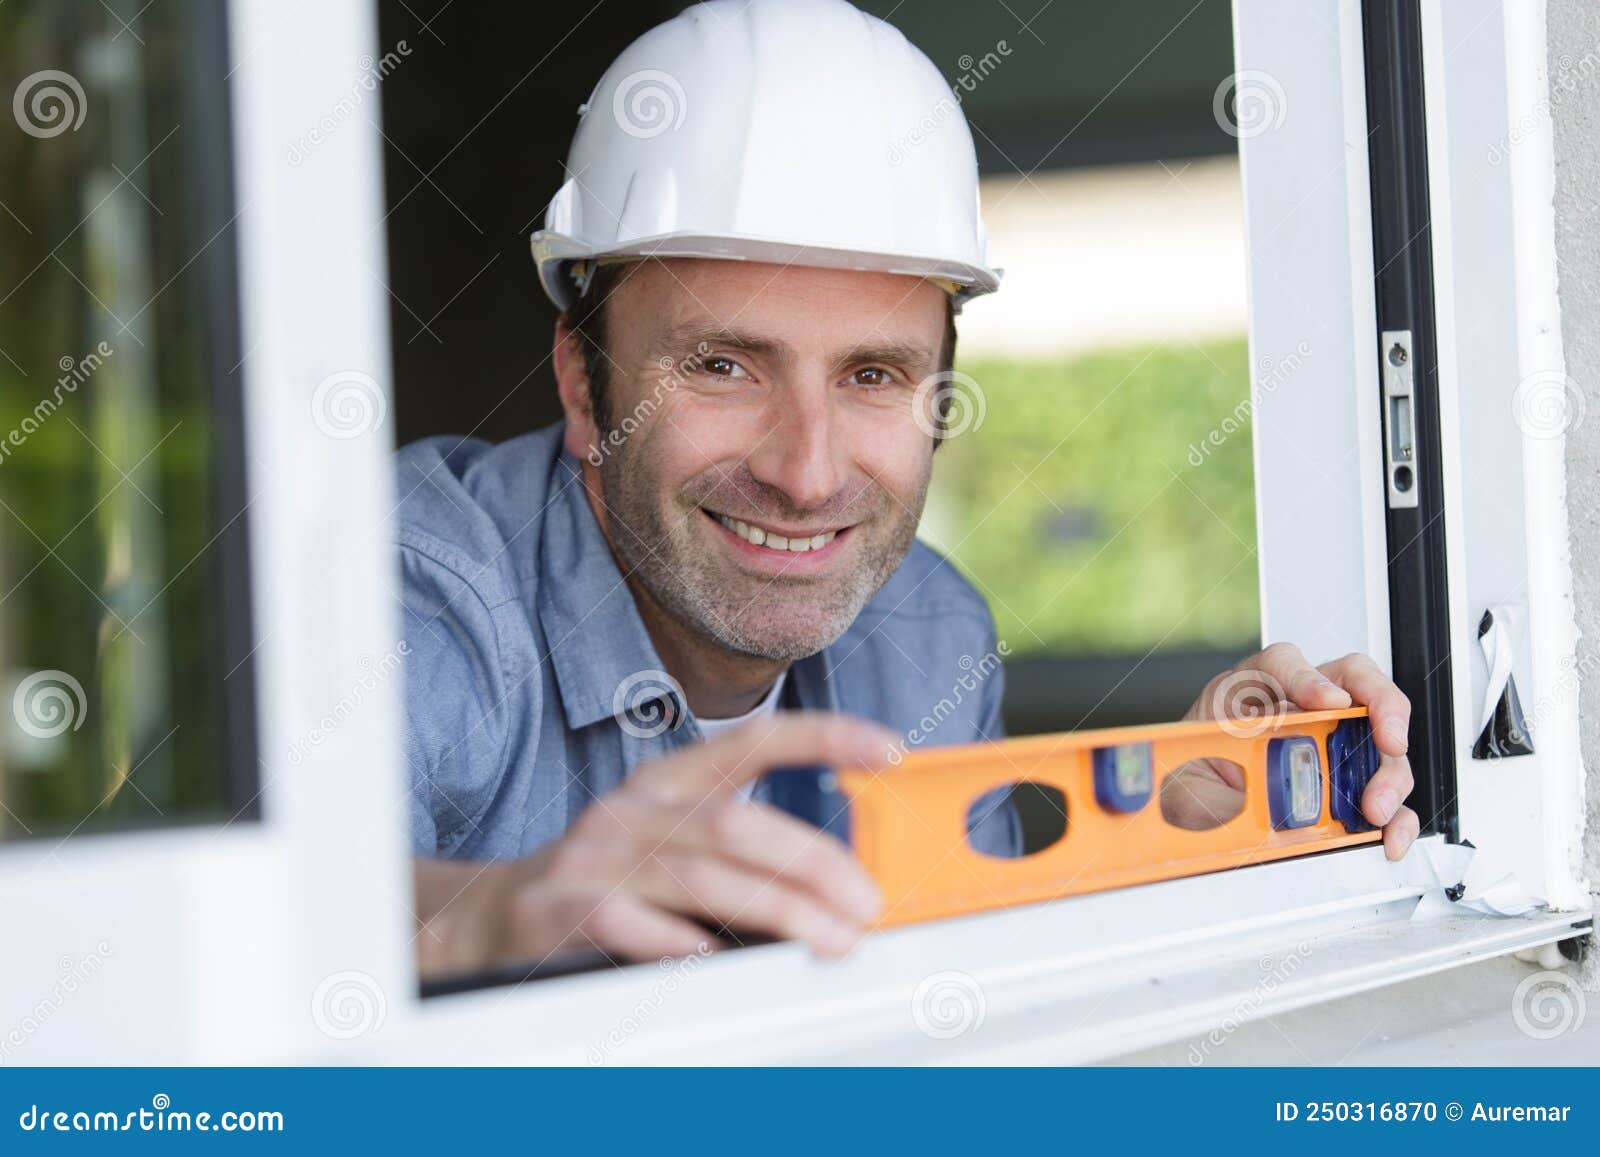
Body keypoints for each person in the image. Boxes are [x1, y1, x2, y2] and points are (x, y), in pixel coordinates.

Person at [401, 0, 1418, 978]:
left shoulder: (930, 635)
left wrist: (1177, 833)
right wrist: (493, 917)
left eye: (872, 376)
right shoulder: (413, 597)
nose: (805, 473)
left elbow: (960, 1039)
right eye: (721, 365)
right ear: (584, 383)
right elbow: (262, 939)